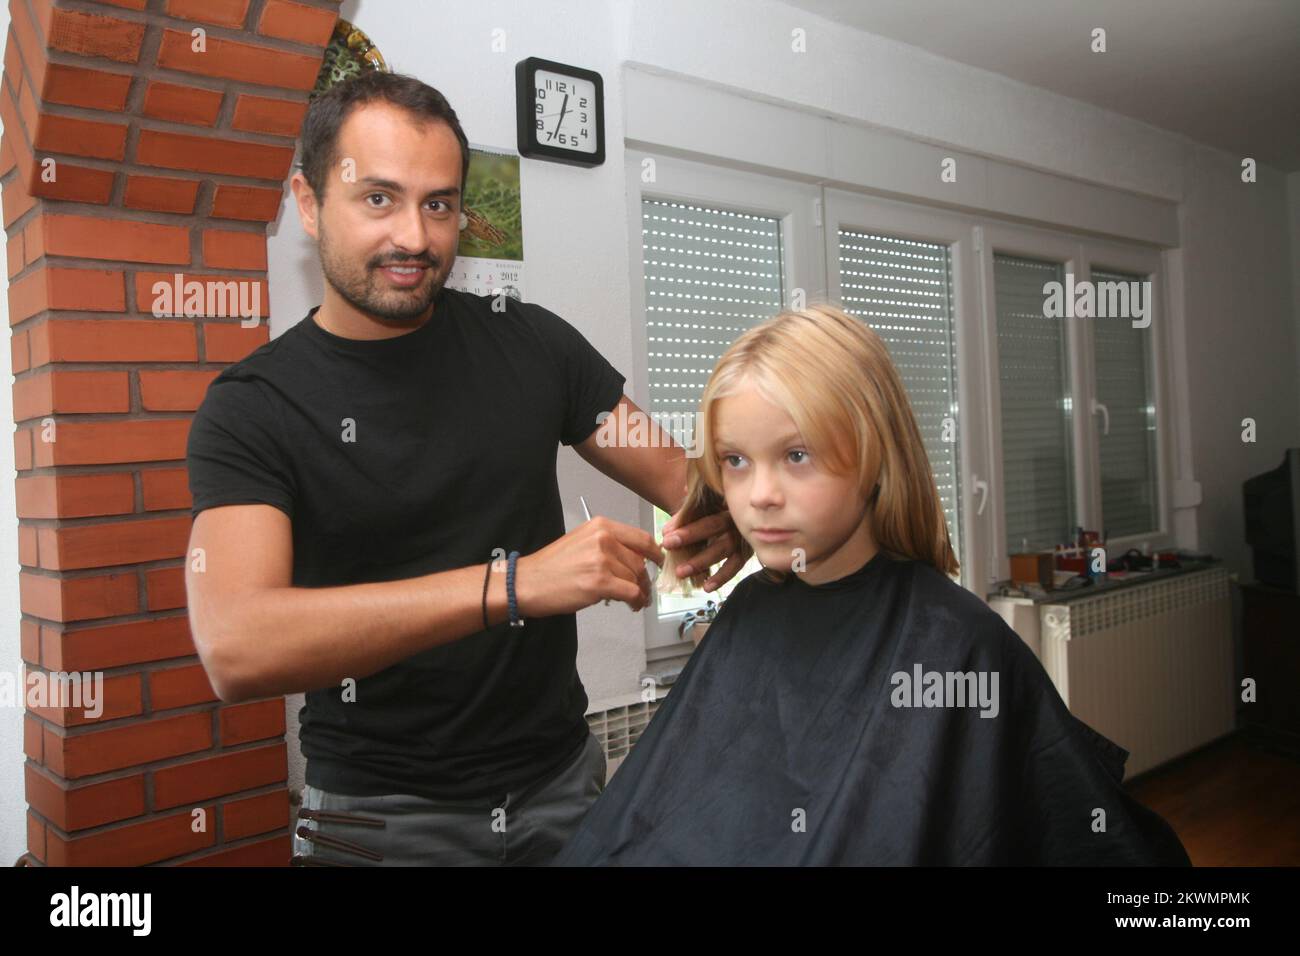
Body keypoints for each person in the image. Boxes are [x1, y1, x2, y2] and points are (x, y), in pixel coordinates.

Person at [183, 71, 748, 866]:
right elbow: (235, 647)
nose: (414, 236)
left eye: (439, 203)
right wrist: (514, 586)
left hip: (562, 782)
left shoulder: (535, 345)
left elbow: (688, 485)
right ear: (309, 205)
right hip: (379, 820)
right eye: (378, 198)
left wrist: (746, 516)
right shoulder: (254, 406)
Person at [553, 303, 1192, 866]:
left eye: (796, 455)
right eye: (735, 461)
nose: (759, 496)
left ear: (874, 453)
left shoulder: (957, 643)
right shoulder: (750, 608)